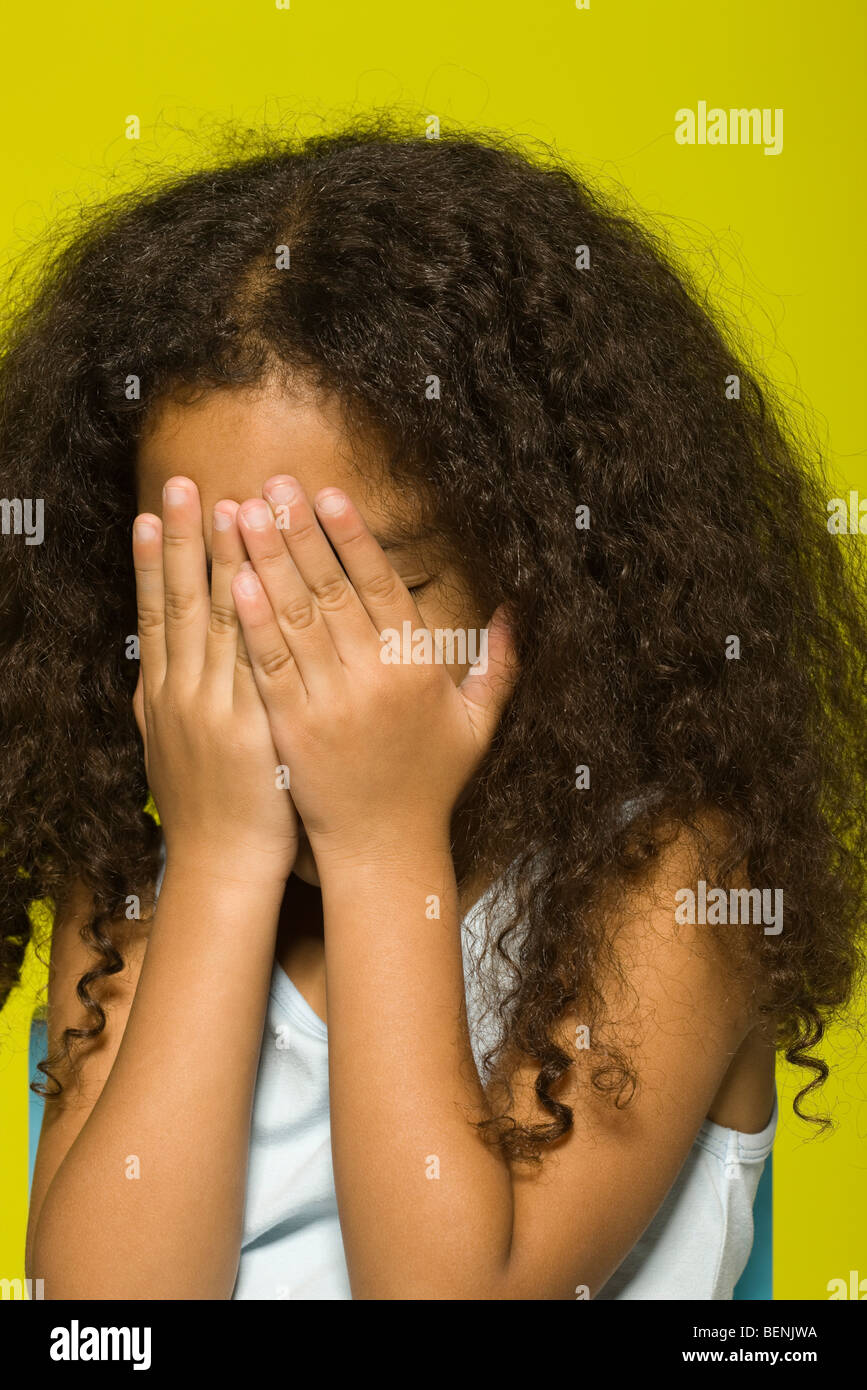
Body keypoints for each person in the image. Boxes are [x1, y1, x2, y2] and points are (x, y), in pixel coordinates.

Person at [2, 119, 864, 1300]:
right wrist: (216, 858)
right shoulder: (145, 869)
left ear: (541, 577)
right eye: (206, 587)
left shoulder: (669, 877)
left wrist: (378, 843)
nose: (272, 655)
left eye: (353, 591)